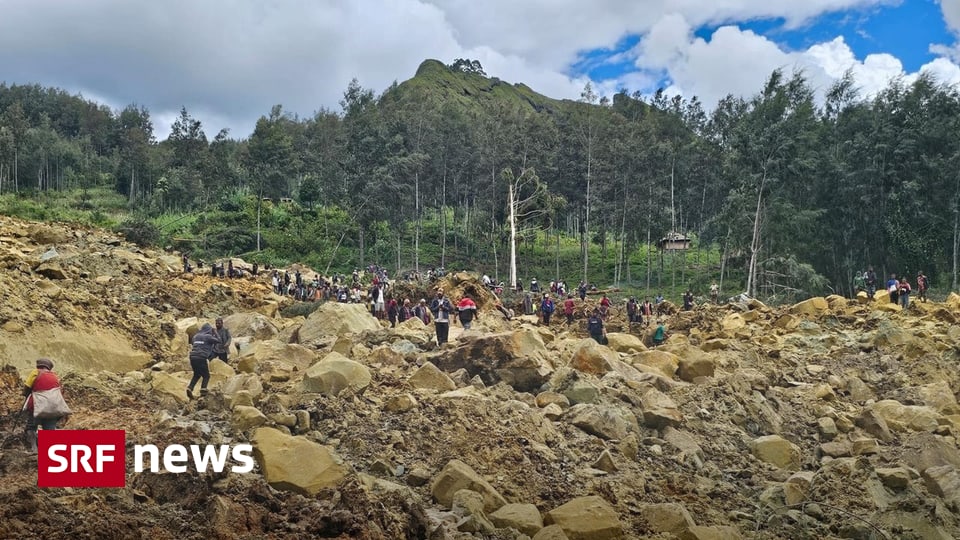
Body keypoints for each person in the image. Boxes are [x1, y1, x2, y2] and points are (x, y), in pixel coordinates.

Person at [22, 358, 68, 453]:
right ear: (49, 367)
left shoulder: (35, 372)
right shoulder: (54, 376)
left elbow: (26, 389)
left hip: (37, 407)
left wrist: (26, 396)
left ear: (39, 365)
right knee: (49, 431)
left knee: (31, 428)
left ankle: (34, 449)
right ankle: (48, 451)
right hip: (54, 409)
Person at [187, 323, 221, 400]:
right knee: (206, 376)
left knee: (197, 374)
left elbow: (195, 344)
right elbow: (219, 340)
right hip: (201, 357)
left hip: (192, 357)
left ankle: (190, 388)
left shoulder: (195, 336)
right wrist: (215, 332)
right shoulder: (208, 336)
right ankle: (203, 391)